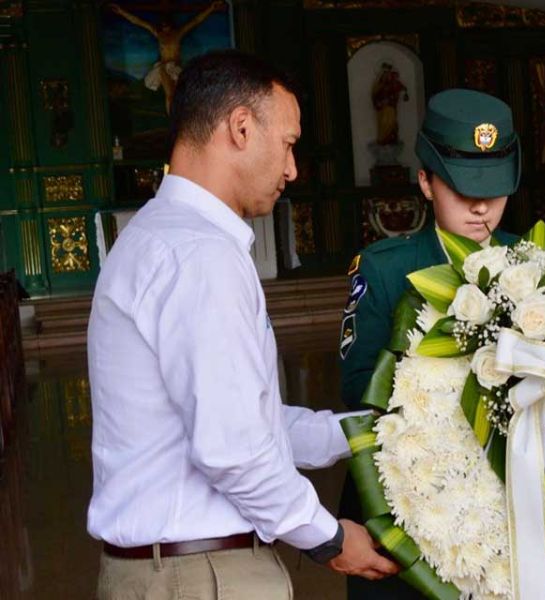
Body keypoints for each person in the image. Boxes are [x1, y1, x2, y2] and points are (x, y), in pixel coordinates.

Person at [87, 50, 398, 600]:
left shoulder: (161, 236)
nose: (292, 169)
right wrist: (327, 536)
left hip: (178, 571)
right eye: (289, 144)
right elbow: (232, 449)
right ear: (240, 126)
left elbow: (245, 422)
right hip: (199, 576)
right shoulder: (199, 254)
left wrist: (375, 429)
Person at [338, 87, 521, 600]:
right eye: (463, 189)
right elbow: (357, 388)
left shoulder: (534, 264)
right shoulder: (386, 267)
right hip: (410, 501)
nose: (482, 206)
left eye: (495, 188)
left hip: (506, 503)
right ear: (425, 181)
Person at [108, 1, 227, 112]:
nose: (165, 26)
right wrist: (121, 12)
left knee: (179, 96)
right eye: (163, 24)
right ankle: (173, 123)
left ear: (170, 24)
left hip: (175, 67)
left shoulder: (178, 33)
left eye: (167, 24)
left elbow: (195, 21)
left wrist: (211, 8)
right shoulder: (159, 34)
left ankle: (180, 120)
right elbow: (139, 22)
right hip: (164, 67)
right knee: (169, 96)